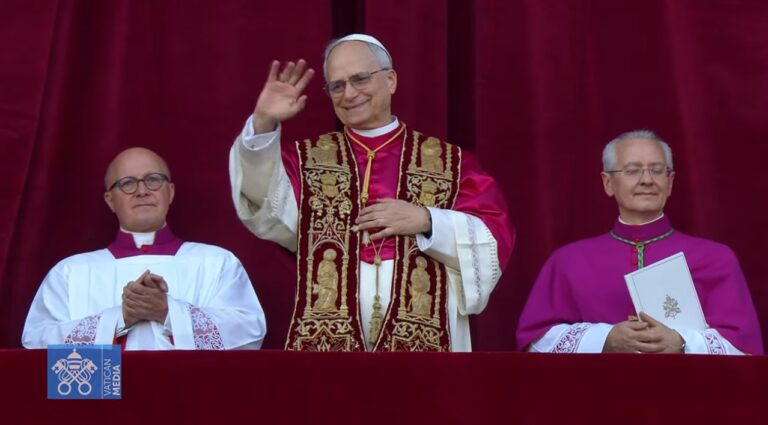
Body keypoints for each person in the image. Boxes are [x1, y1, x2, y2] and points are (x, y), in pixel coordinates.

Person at [228, 34, 514, 351]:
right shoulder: (304, 162)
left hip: (427, 344)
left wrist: (428, 220)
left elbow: (493, 239)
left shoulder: (452, 164)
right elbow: (264, 207)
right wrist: (263, 123)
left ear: (390, 80)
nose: (349, 94)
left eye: (360, 79)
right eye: (337, 85)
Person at [516, 130, 763, 355]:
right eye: (632, 170)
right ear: (608, 183)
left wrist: (681, 342)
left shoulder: (716, 259)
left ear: (670, 182)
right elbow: (535, 341)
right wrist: (605, 339)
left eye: (657, 170)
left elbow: (744, 347)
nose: (647, 180)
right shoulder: (568, 261)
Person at [23, 147, 266, 350]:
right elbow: (36, 343)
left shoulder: (217, 263)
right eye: (127, 183)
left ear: (170, 192)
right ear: (110, 200)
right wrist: (119, 319)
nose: (142, 191)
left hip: (187, 392)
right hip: (104, 395)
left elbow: (250, 333)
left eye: (153, 180)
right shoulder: (70, 272)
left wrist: (169, 312)